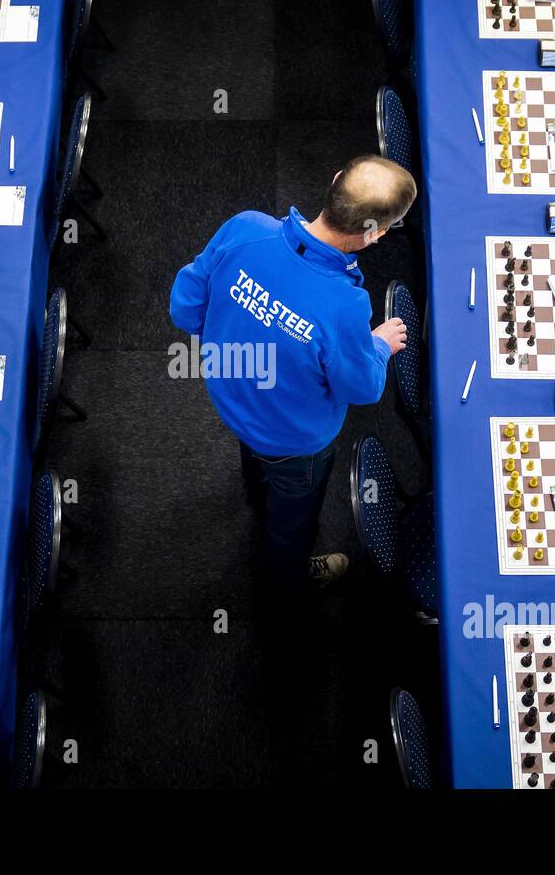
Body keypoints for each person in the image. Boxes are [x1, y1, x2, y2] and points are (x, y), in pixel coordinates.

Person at [168, 155, 414, 605]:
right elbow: (362, 389)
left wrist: (243, 328)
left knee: (255, 461)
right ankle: (286, 586)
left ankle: (254, 496)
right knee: (291, 523)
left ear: (336, 180)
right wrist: (378, 344)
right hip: (293, 442)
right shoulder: (345, 305)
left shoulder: (245, 228)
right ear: (374, 233)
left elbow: (183, 307)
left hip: (231, 398)